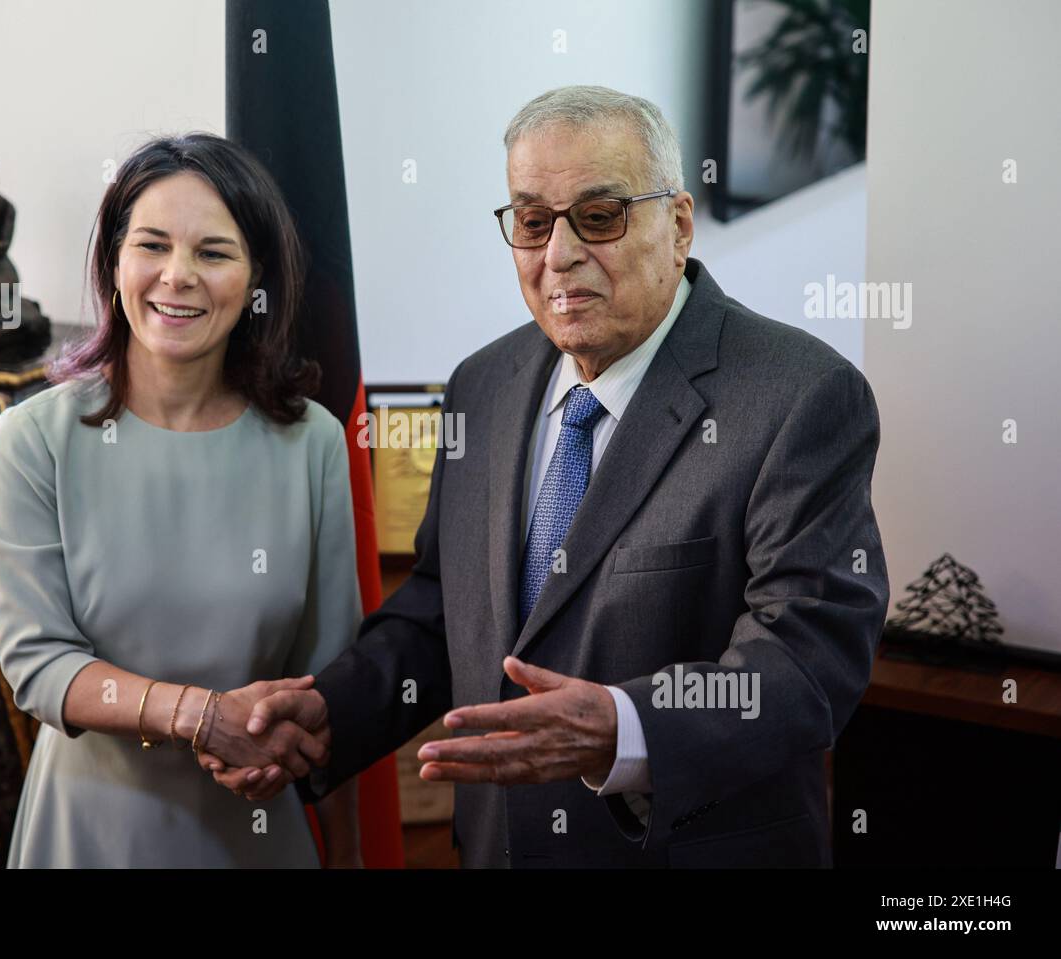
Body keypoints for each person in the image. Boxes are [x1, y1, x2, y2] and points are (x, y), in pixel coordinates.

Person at [210, 86, 890, 868]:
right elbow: (442, 610)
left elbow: (809, 659)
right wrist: (330, 711)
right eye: (533, 222)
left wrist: (624, 726)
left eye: (600, 216)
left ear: (678, 225)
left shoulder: (800, 395)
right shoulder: (482, 386)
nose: (559, 254)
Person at [0, 133, 362, 868]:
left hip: (257, 837)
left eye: (213, 253)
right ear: (115, 262)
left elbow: (327, 689)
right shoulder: (31, 440)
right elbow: (39, 664)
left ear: (256, 279)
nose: (177, 276)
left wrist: (348, 857)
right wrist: (199, 716)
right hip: (90, 836)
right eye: (152, 245)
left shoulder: (312, 441)